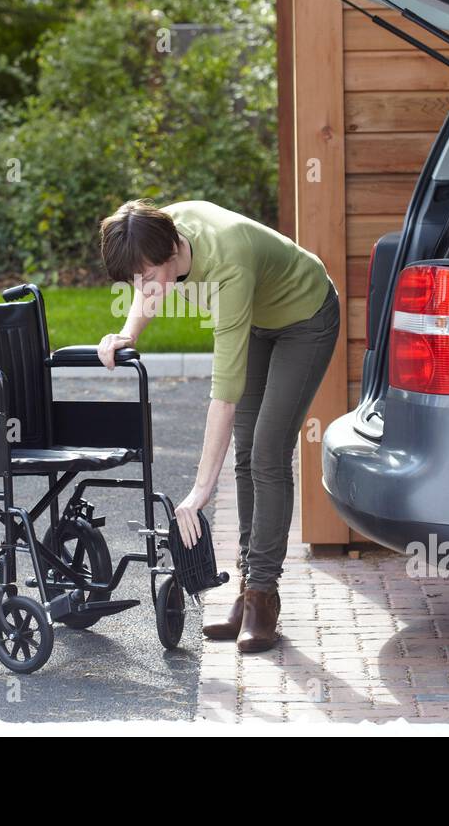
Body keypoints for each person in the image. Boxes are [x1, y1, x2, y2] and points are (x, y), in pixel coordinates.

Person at [97, 199, 339, 653]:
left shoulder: (226, 262)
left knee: (268, 452)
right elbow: (148, 288)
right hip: (257, 319)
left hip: (305, 316)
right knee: (246, 452)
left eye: (146, 275)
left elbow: (223, 397)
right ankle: (248, 587)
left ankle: (263, 596)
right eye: (133, 278)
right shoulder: (156, 233)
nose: (141, 286)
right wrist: (128, 334)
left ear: (173, 250)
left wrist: (199, 491)